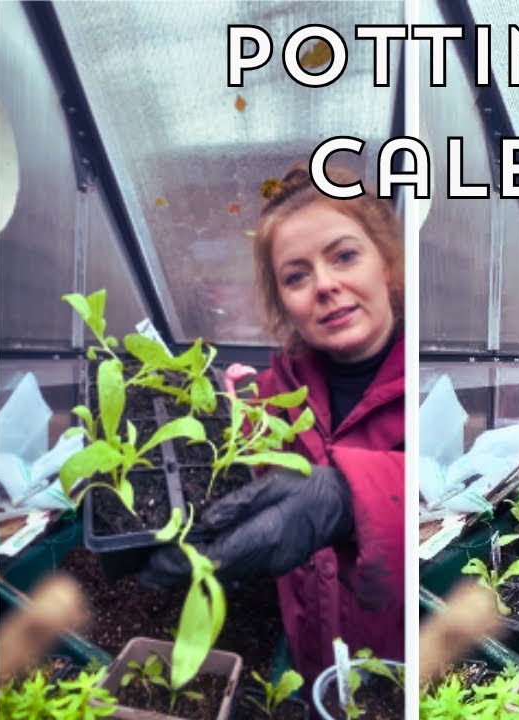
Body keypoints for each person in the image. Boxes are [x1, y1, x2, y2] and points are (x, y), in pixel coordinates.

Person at [141, 163, 405, 683]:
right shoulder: (269, 396)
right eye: (296, 276)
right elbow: (233, 494)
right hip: (306, 658)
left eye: (344, 256)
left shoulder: (426, 381)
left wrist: (351, 499)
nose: (324, 285)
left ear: (388, 264)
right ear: (282, 300)